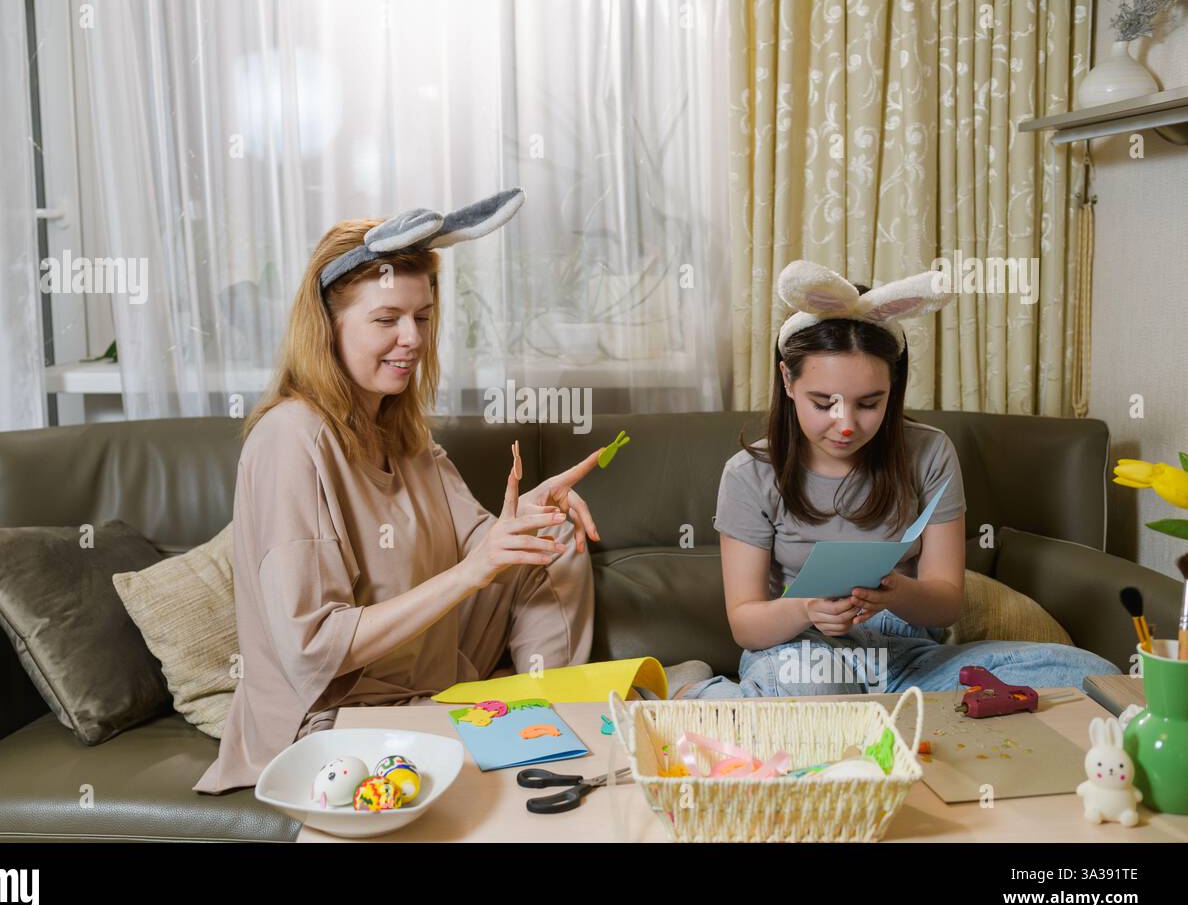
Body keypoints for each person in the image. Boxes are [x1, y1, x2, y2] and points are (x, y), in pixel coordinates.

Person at [196, 193, 600, 793]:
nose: (411, 338)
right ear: (327, 325)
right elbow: (314, 648)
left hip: (426, 676)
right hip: (331, 721)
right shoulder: (291, 438)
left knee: (550, 535)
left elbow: (480, 541)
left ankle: (547, 714)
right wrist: (473, 573)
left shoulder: (403, 431)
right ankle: (516, 722)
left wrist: (530, 514)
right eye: (386, 320)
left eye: (424, 317)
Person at [677, 260, 1121, 700]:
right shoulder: (750, 473)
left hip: (909, 659)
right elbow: (745, 624)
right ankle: (689, 694)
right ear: (788, 382)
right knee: (824, 691)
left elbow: (946, 603)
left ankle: (765, 707)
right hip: (803, 653)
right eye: (823, 401)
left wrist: (894, 593)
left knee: (1091, 675)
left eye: (869, 403)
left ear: (895, 387)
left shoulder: (930, 452)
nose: (845, 423)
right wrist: (806, 608)